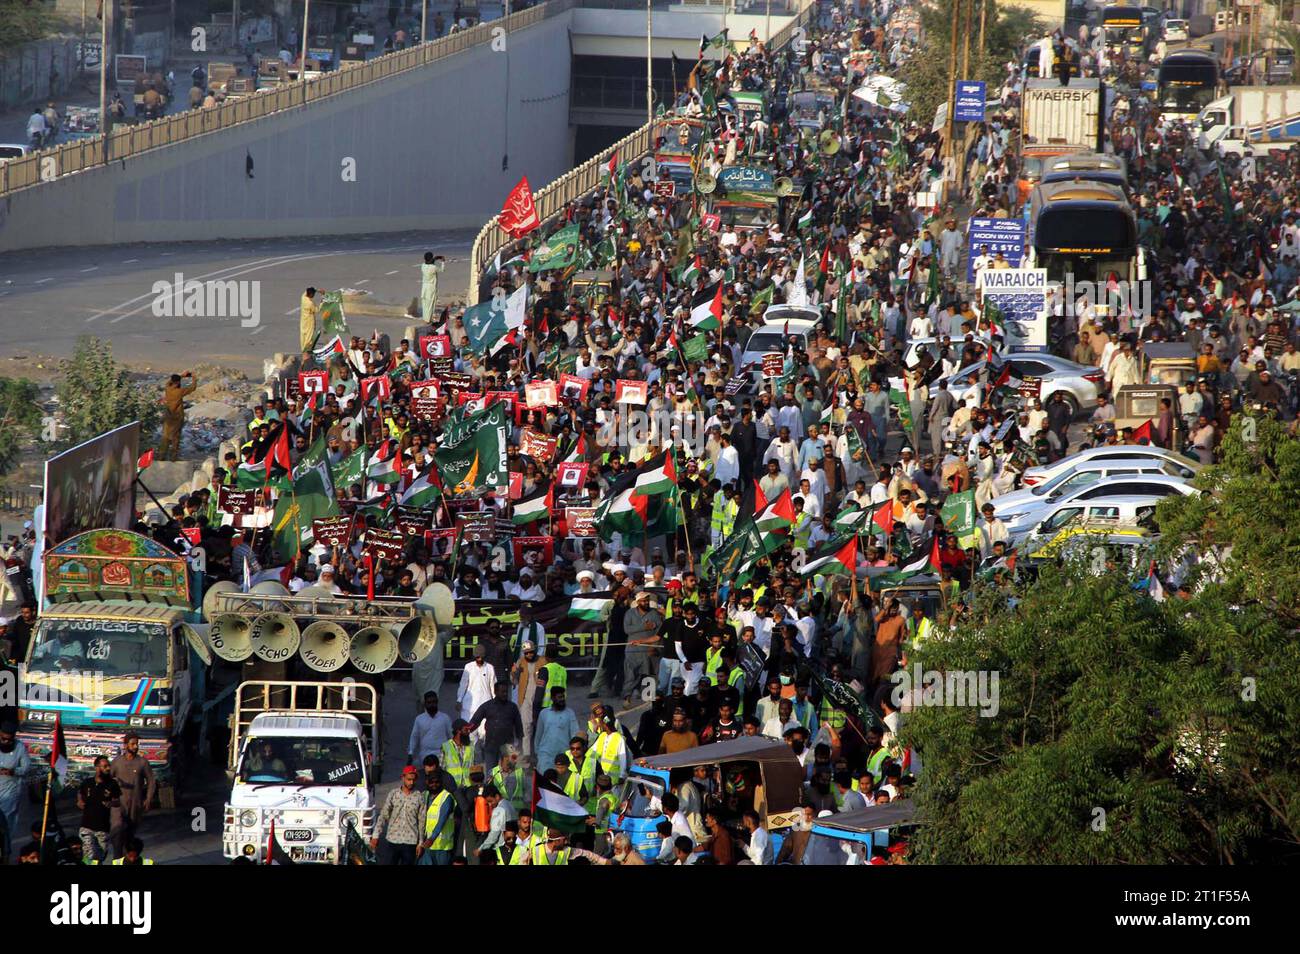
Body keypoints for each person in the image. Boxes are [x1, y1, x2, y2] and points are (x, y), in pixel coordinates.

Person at [109, 731, 156, 857]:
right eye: (133, 744)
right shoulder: (117, 762)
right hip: (118, 803)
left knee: (129, 834)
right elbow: (107, 780)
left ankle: (126, 858)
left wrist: (148, 798)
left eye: (137, 744)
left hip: (135, 804)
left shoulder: (142, 763)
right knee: (117, 829)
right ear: (125, 745)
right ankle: (117, 857)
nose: (136, 746)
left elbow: (151, 781)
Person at [371, 765, 424, 865]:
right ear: (403, 778)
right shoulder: (393, 794)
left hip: (410, 842)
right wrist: (375, 835)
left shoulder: (419, 797)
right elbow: (383, 815)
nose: (411, 782)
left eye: (413, 780)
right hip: (393, 840)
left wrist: (420, 843)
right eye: (409, 779)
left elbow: (422, 821)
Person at [0, 721, 31, 863]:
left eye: (9, 739)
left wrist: (13, 771)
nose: (6, 742)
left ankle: (5, 854)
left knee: (5, 827)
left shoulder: (19, 747)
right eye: (3, 739)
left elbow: (26, 768)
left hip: (10, 793)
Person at [417, 769, 455, 866]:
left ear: (441, 782)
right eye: (431, 782)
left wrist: (432, 838)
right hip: (427, 846)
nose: (434, 784)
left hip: (442, 847)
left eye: (437, 782)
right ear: (426, 782)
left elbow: (442, 820)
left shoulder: (446, 798)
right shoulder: (425, 795)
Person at [407, 691, 453, 767]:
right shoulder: (419, 719)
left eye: (434, 702)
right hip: (425, 755)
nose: (432, 705)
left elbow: (452, 736)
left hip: (442, 755)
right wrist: (410, 753)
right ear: (425, 704)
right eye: (429, 702)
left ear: (437, 702)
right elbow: (414, 737)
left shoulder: (445, 718)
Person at [160, 371, 197, 460]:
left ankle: (161, 457)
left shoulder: (168, 389)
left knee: (165, 438)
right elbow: (192, 388)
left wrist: (181, 376)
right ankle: (173, 457)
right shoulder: (179, 392)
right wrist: (194, 378)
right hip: (177, 418)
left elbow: (168, 382)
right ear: (178, 382)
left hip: (168, 417)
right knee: (175, 438)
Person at [421, 252, 446, 321]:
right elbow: (442, 270)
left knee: (425, 303)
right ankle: (428, 320)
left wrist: (436, 258)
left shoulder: (423, 266)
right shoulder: (434, 268)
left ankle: (425, 318)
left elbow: (429, 262)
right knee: (430, 303)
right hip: (431, 287)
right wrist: (443, 262)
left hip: (424, 286)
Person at [299, 286, 319, 352]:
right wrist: (322, 302)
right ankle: (306, 352)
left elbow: (306, 291)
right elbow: (316, 310)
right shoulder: (310, 303)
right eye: (313, 294)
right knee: (309, 338)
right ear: (311, 294)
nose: (314, 295)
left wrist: (316, 290)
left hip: (303, 321)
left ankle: (303, 350)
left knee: (303, 336)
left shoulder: (303, 298)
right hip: (309, 322)